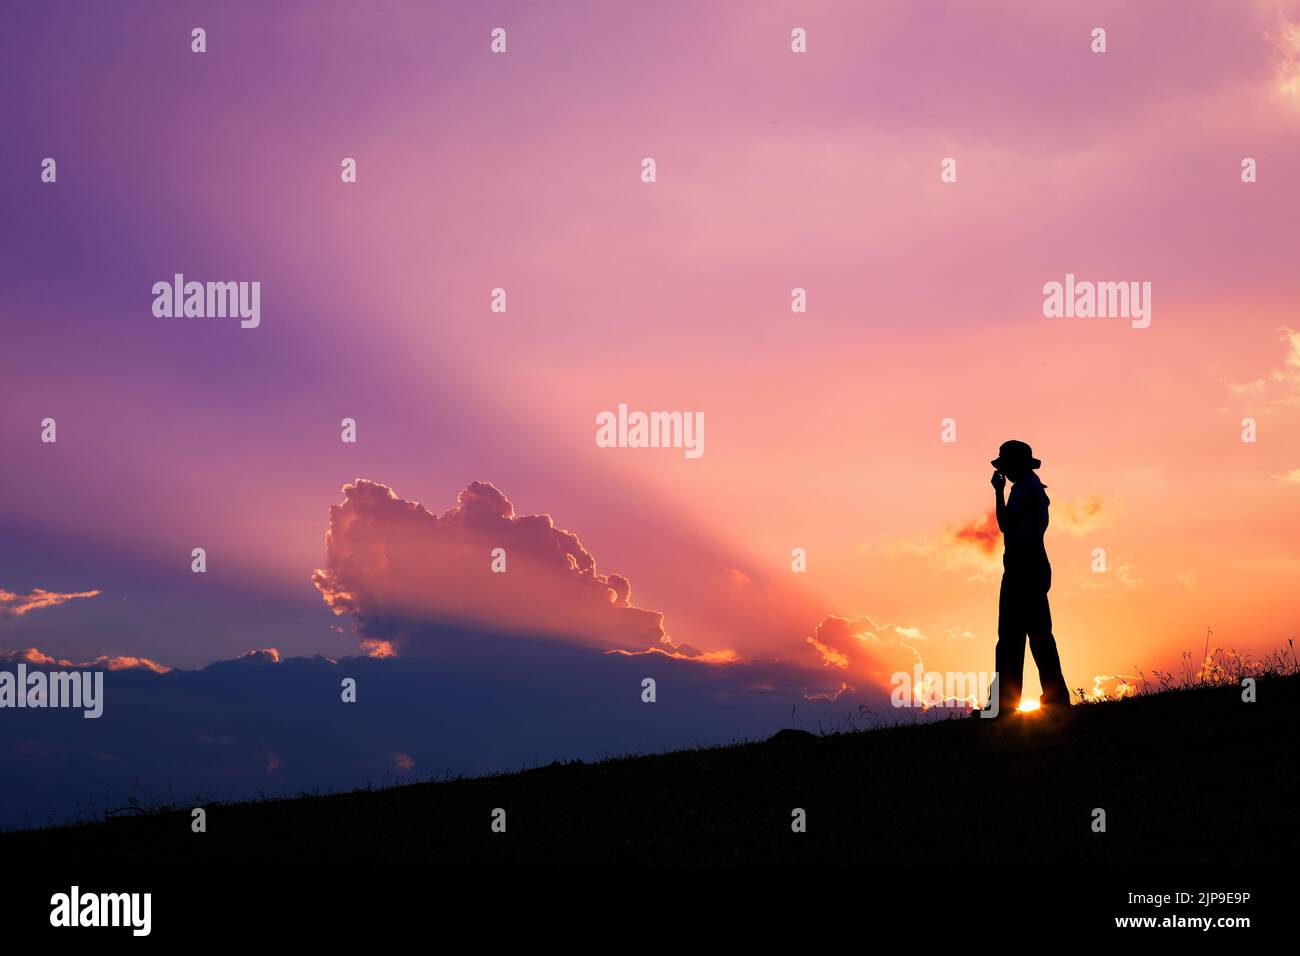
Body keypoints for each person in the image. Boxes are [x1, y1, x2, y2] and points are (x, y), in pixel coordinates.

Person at [987, 440, 1070, 715]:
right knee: (1038, 636)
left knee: (1012, 638)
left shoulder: (1024, 490)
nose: (1006, 472)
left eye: (1007, 466)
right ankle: (1054, 698)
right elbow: (1009, 527)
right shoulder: (1027, 487)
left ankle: (1003, 705)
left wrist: (998, 493)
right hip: (1031, 566)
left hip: (1023, 568)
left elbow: (1009, 528)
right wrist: (1000, 492)